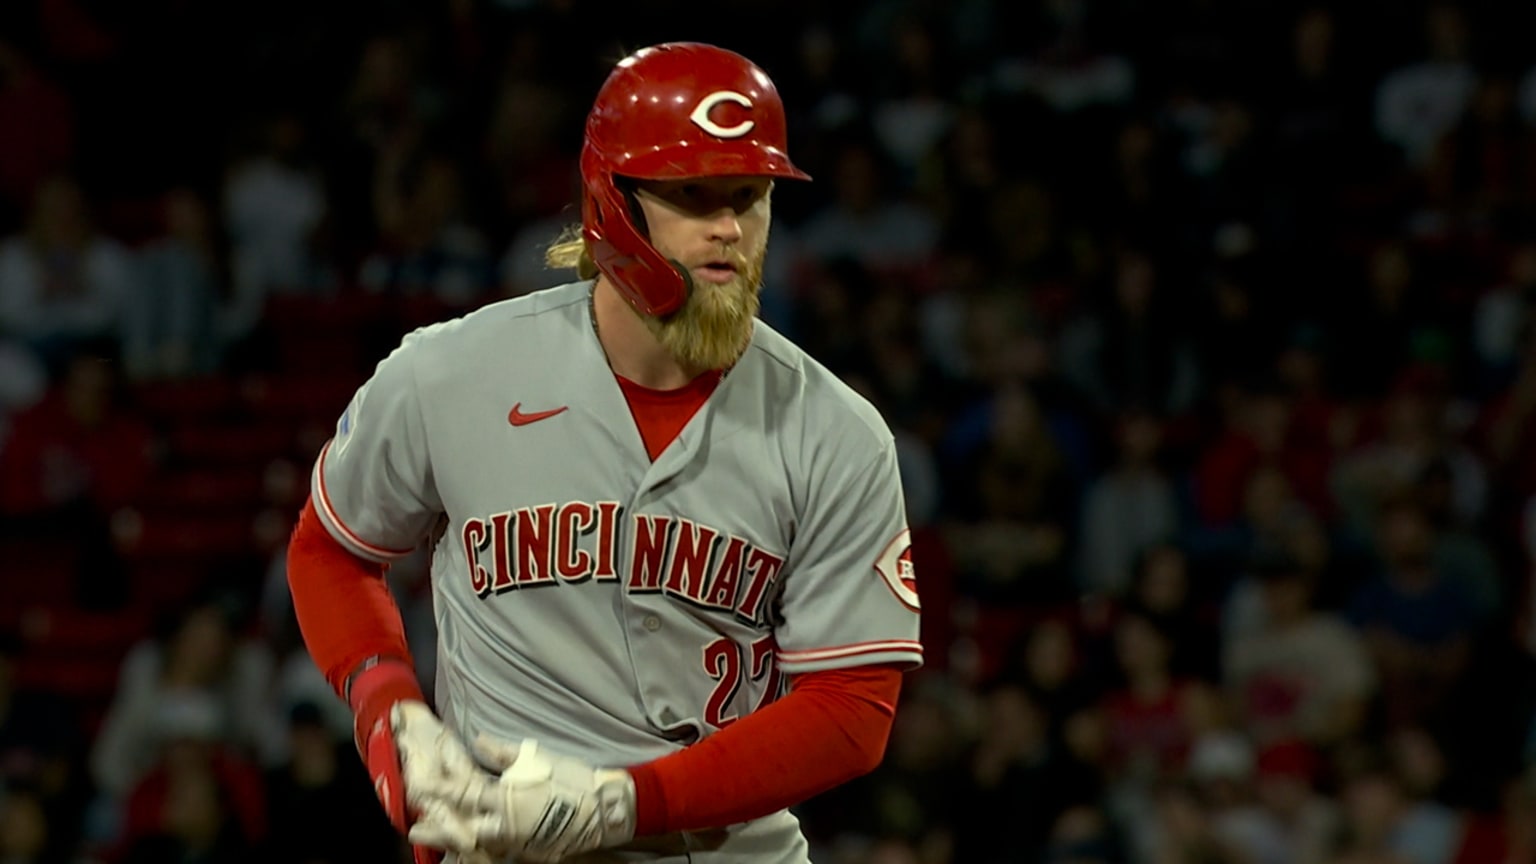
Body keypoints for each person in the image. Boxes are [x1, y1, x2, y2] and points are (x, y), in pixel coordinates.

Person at [286, 41, 924, 863]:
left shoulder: (835, 430)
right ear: (612, 202)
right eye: (692, 196)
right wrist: (389, 707)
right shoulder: (452, 373)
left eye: (750, 196)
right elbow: (332, 547)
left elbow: (852, 708)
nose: (729, 228)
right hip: (503, 846)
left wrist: (626, 802)